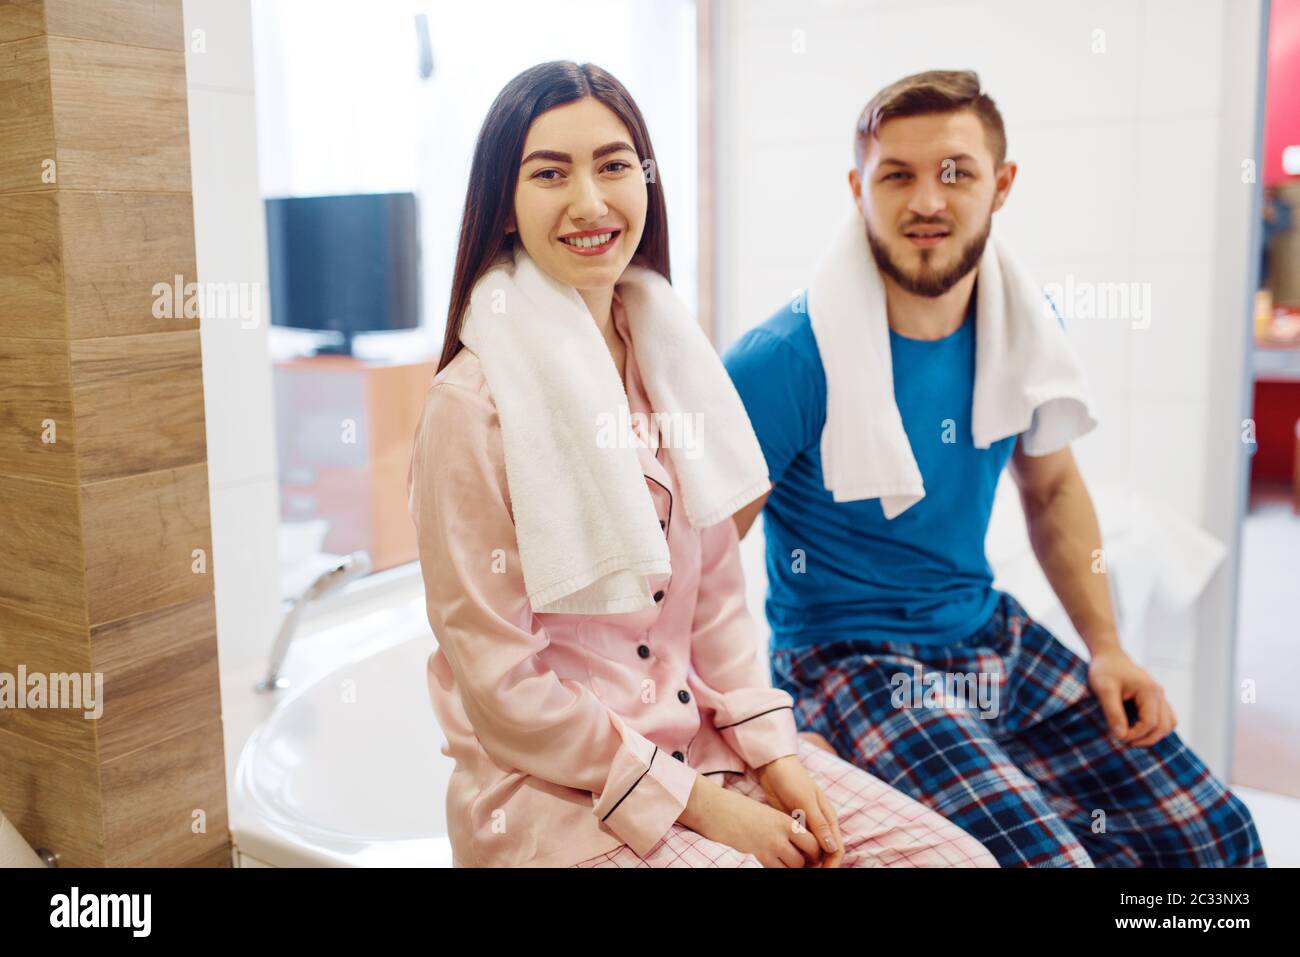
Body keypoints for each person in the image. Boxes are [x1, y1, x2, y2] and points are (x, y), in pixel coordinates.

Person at [407, 60, 998, 869]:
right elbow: (503, 689)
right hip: (558, 800)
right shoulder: (469, 407)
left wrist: (779, 757)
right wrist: (708, 809)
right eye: (550, 173)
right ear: (503, 207)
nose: (591, 201)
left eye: (614, 165)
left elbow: (717, 603)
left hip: (708, 748)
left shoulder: (675, 364)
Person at [723, 69, 1267, 868]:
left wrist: (1108, 645)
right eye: (897, 175)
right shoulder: (783, 359)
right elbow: (700, 566)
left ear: (1001, 185)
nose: (927, 201)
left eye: (955, 173)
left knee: (1218, 837)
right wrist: (765, 727)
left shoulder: (1022, 327)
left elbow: (1053, 489)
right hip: (845, 662)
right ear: (858, 188)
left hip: (987, 634)